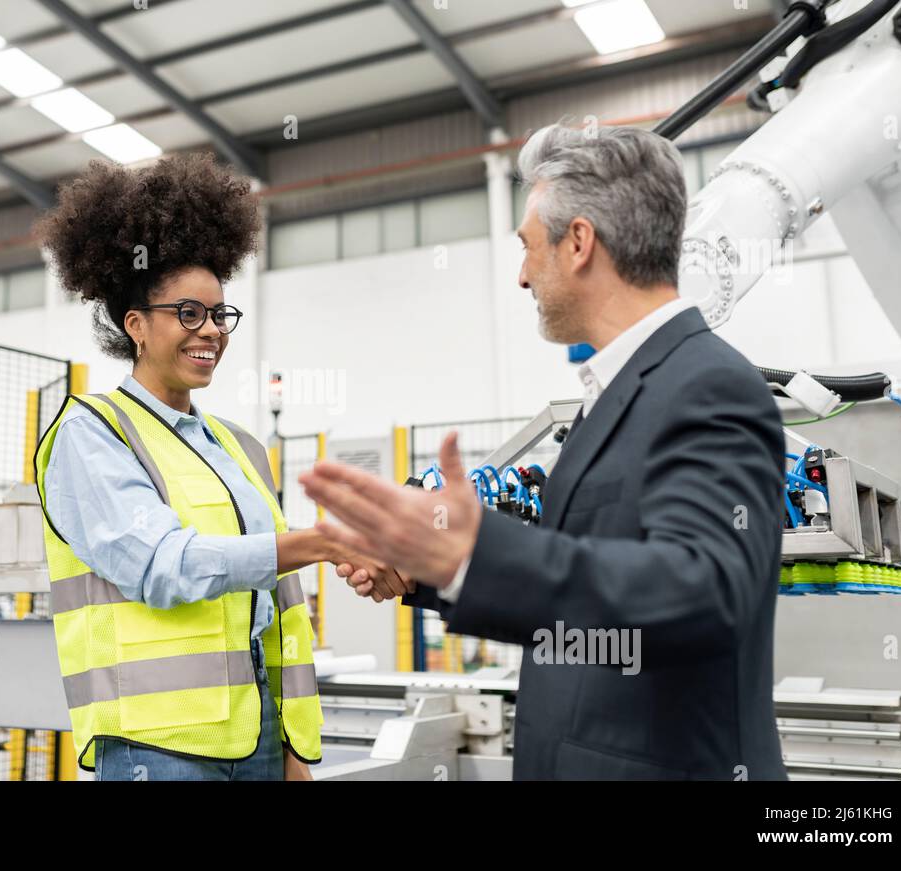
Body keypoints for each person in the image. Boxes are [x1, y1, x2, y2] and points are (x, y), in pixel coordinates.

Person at [303, 124, 788, 780]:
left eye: (529, 247)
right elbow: (590, 587)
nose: (523, 274)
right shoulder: (613, 394)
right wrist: (430, 570)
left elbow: (703, 593)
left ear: (580, 242)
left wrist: (476, 555)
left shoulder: (707, 384)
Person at [32, 153, 401, 782]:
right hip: (158, 748)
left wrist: (288, 746)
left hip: (256, 731)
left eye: (219, 313)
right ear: (136, 326)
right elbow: (162, 566)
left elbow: (275, 601)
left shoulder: (240, 448)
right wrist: (323, 541)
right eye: (188, 313)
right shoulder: (90, 434)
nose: (211, 331)